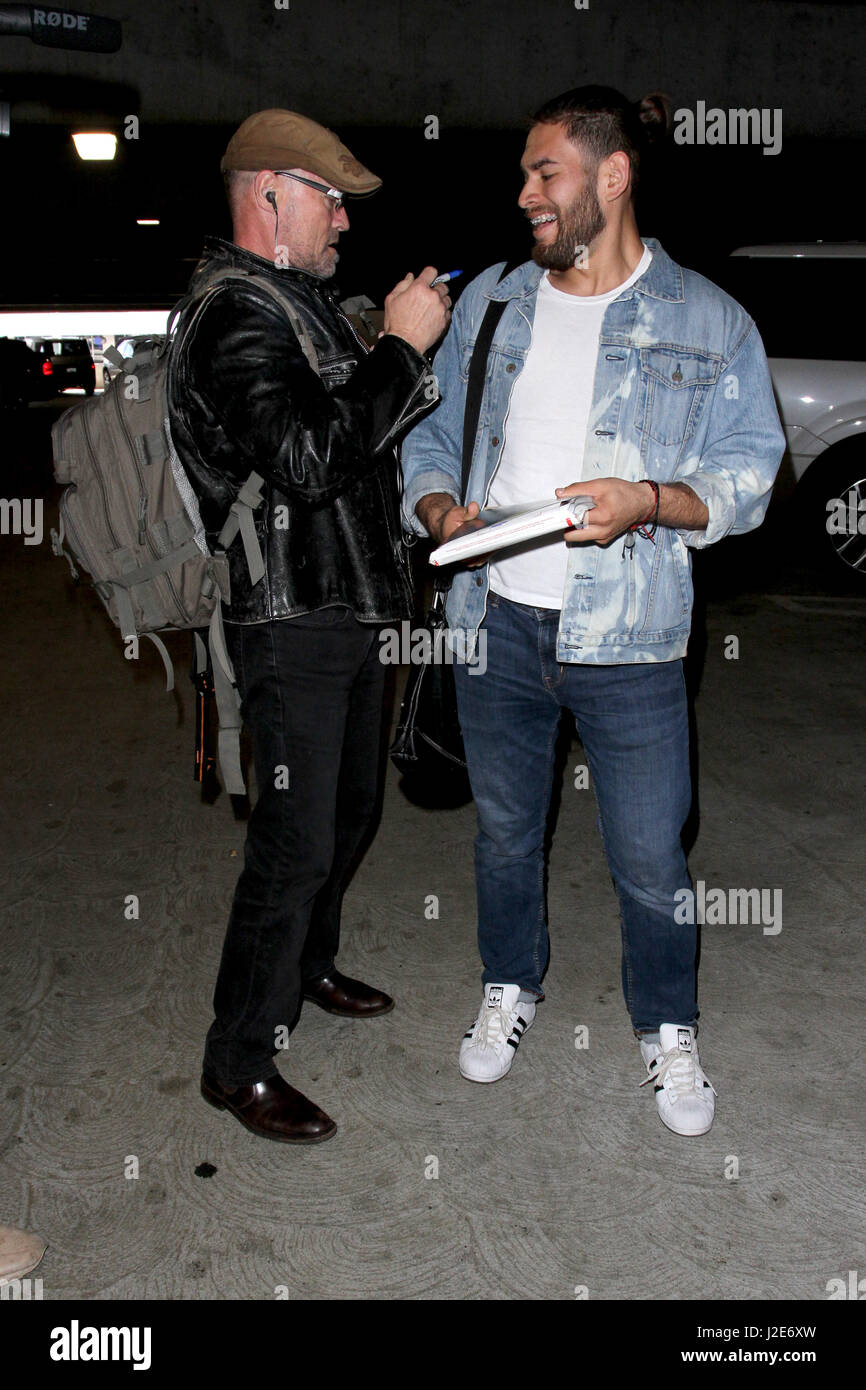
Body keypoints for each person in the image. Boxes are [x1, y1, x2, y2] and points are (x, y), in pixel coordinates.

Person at [401, 86, 785, 1137]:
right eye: (523, 174)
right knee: (502, 835)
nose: (524, 192)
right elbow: (427, 437)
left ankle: (665, 1026)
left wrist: (647, 503)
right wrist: (438, 503)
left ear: (610, 177)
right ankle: (508, 983)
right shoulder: (486, 301)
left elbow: (748, 474)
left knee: (651, 854)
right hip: (497, 621)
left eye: (544, 172)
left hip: (632, 641)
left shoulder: (707, 319)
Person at [169, 109, 450, 1144]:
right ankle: (235, 1060)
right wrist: (403, 351)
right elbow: (302, 457)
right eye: (328, 197)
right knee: (291, 846)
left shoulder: (300, 304)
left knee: (351, 815)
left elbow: (344, 430)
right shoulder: (233, 313)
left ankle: (308, 963)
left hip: (345, 605)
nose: (343, 218)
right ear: (268, 195)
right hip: (288, 618)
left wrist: (380, 344)